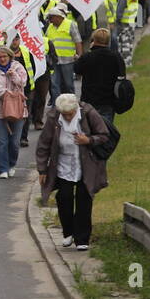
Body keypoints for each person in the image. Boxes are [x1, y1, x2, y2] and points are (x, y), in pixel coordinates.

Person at [35, 93, 109, 251]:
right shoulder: (54, 117)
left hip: (86, 165)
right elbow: (44, 144)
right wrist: (42, 169)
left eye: (70, 114)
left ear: (76, 109)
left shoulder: (88, 113)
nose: (67, 117)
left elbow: (103, 135)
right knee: (64, 197)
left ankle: (82, 239)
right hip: (63, 164)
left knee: (84, 200)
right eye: (65, 115)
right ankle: (68, 232)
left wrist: (88, 140)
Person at [0, 45, 27, 180]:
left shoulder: (18, 67)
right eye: (0, 57)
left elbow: (23, 83)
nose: (2, 59)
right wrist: (6, 94)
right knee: (2, 141)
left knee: (14, 141)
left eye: (5, 56)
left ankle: (11, 164)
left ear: (10, 56)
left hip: (18, 110)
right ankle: (2, 169)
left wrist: (13, 76)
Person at [74, 28, 126, 129]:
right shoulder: (115, 57)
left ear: (94, 40)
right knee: (106, 130)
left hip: (89, 100)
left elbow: (77, 69)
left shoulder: (87, 57)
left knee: (89, 129)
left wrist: (79, 59)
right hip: (108, 100)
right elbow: (122, 76)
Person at [44, 5, 83, 102]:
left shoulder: (70, 24)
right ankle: (56, 106)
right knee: (54, 84)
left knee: (68, 84)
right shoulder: (50, 27)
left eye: (51, 17)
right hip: (54, 61)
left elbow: (77, 41)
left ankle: (72, 105)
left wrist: (79, 56)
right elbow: (46, 40)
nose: (50, 20)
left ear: (58, 17)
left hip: (68, 60)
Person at [113, 0, 139, 65]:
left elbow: (119, 12)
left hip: (123, 22)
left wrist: (117, 20)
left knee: (124, 43)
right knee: (129, 42)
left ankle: (125, 63)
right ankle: (128, 61)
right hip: (132, 21)